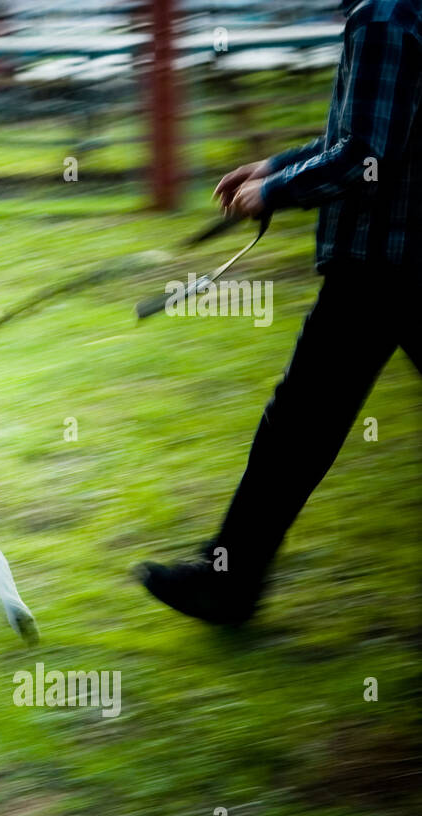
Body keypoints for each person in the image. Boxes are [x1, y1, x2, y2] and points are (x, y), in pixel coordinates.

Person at [139, 0, 422, 624]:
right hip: (391, 261)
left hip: (382, 263)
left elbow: (365, 159)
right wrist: (279, 164)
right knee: (299, 426)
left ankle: (229, 583)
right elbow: (373, 131)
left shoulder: (382, 17)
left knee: (296, 427)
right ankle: (229, 581)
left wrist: (274, 191)